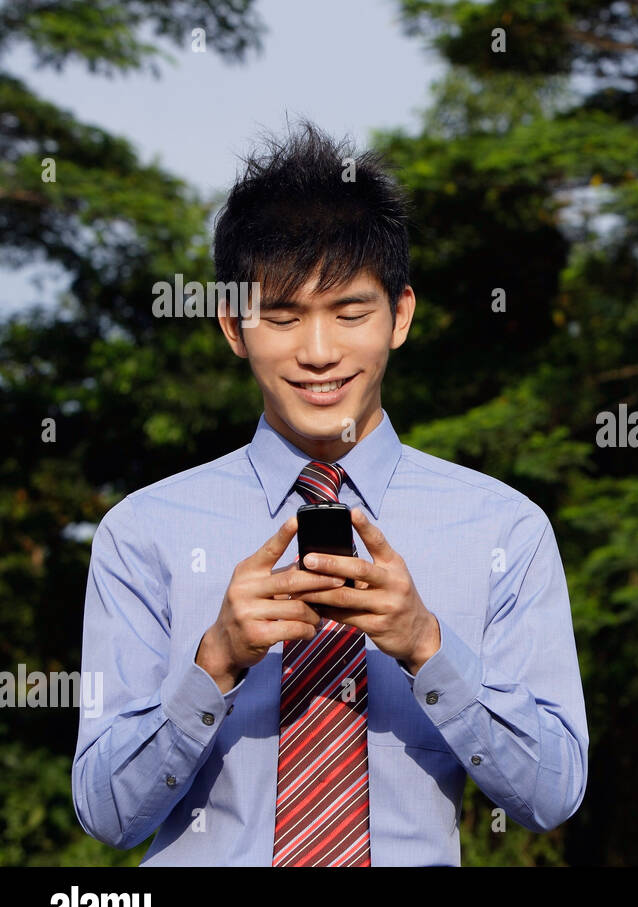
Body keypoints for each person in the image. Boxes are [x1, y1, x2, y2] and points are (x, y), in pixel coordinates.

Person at [72, 121, 589, 865]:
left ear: (400, 316)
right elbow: (105, 812)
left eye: (350, 313)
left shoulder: (505, 529)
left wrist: (427, 646)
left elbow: (552, 793)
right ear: (233, 325)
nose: (318, 353)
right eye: (282, 317)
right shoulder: (142, 531)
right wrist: (213, 661)